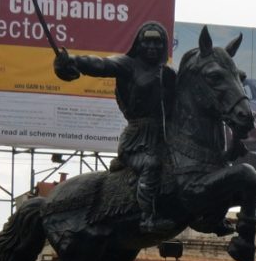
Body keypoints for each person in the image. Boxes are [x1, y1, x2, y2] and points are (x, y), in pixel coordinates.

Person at [53, 22, 177, 234]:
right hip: (137, 140)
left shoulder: (169, 73)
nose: (152, 47)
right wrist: (73, 61)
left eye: (158, 42)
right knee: (152, 165)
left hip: (165, 138)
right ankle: (148, 218)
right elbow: (101, 65)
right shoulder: (127, 65)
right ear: (138, 43)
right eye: (147, 41)